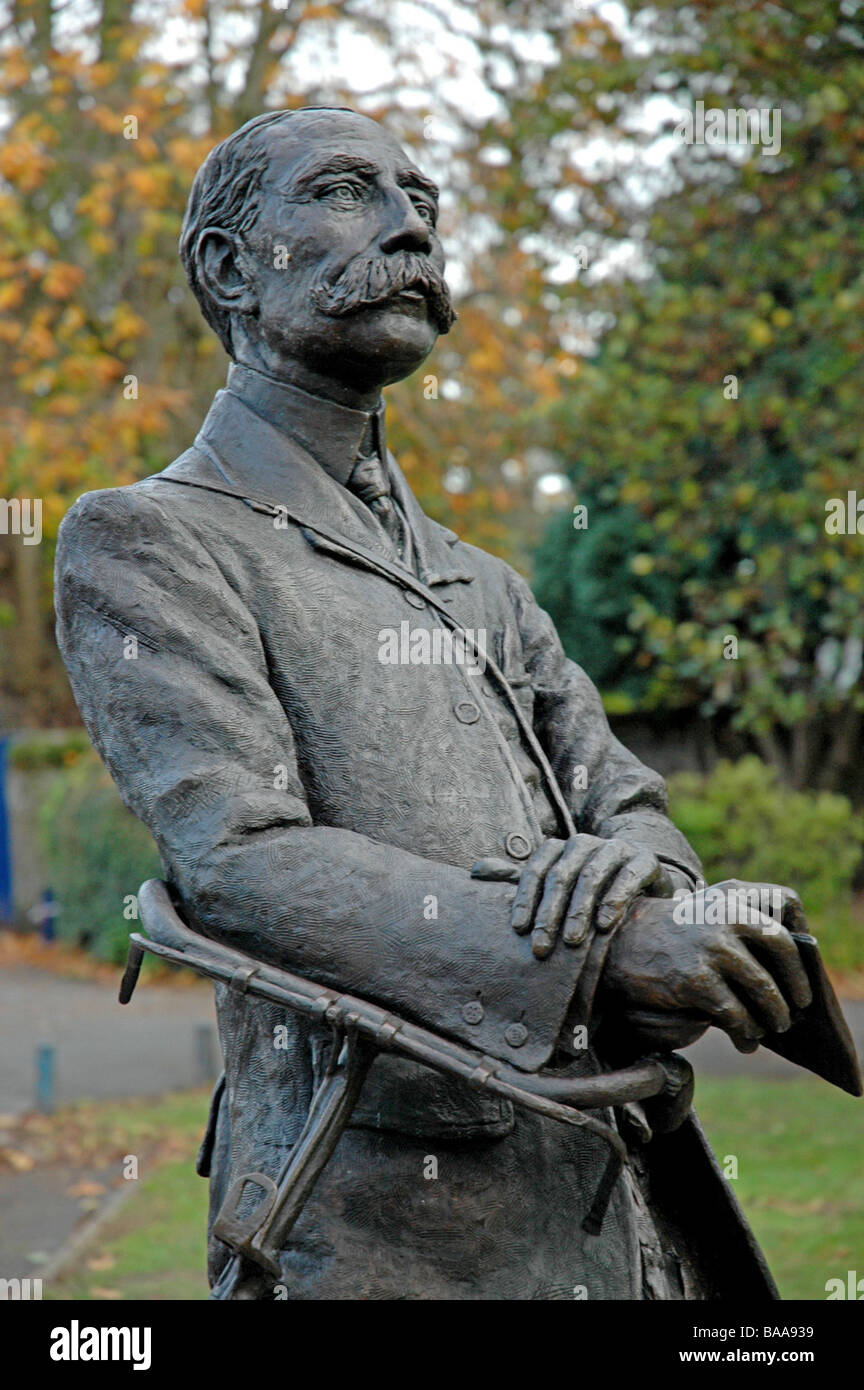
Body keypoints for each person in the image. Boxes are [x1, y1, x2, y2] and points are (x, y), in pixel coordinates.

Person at [55, 107, 813, 1300]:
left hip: (609, 1214)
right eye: (351, 192)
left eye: (425, 198)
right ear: (230, 266)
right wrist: (601, 949)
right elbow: (240, 859)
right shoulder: (151, 537)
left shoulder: (486, 580)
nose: (412, 225)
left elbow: (631, 802)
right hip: (369, 1230)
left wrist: (637, 879)